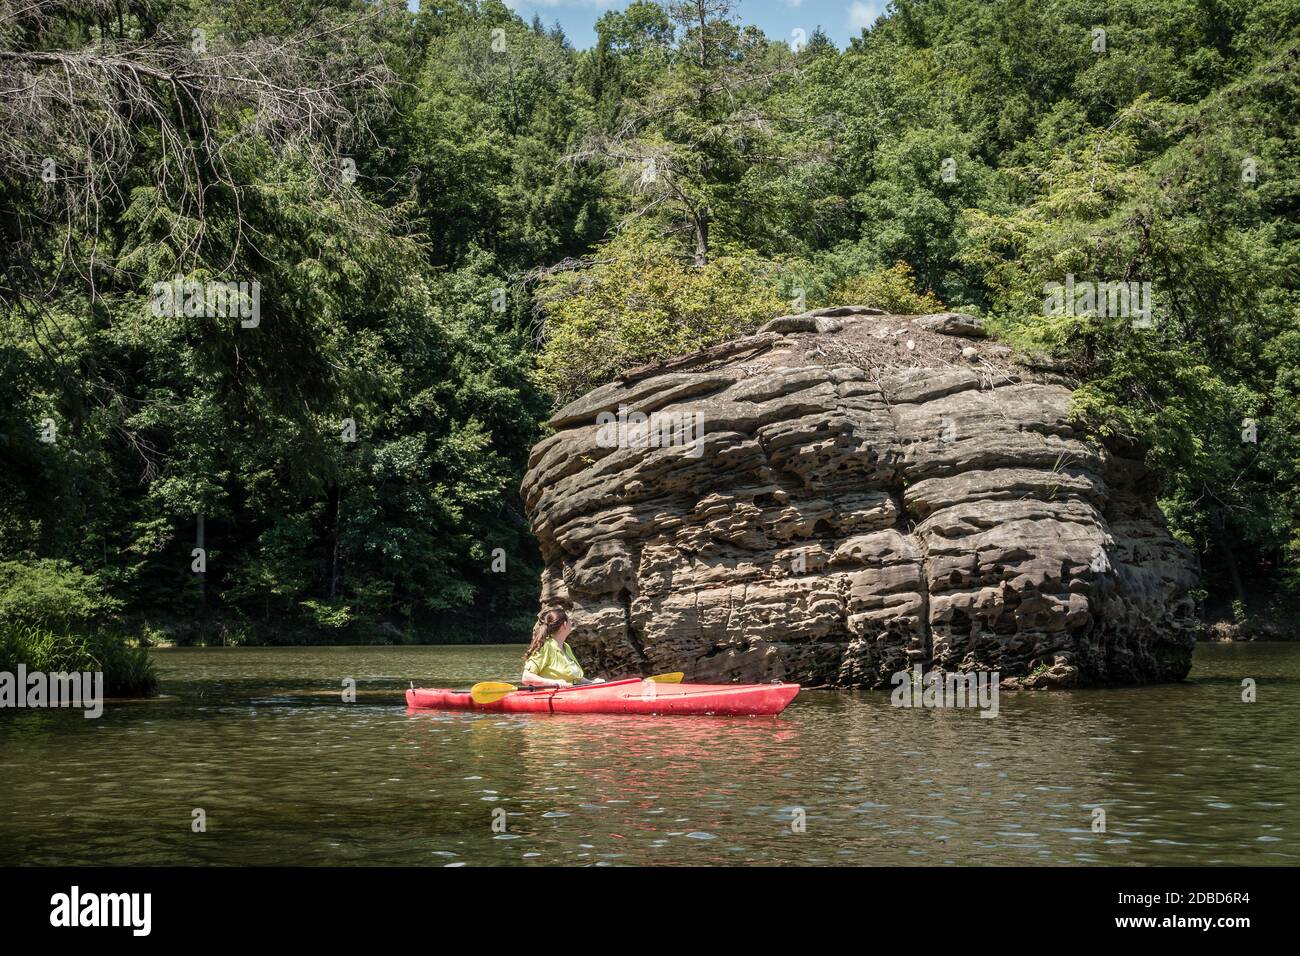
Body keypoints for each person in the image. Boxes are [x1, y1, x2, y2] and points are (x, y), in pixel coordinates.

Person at [522, 608, 604, 687]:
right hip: (551, 695)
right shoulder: (545, 646)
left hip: (571, 693)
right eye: (570, 621)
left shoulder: (566, 646)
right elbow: (526, 677)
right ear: (564, 624)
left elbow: (575, 677)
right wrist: (555, 683)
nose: (571, 624)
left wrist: (592, 682)